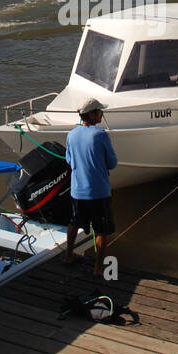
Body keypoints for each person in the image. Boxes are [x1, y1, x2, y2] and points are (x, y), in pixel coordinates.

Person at [65, 98, 117, 275]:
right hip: (98, 192)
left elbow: (69, 160)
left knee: (74, 222)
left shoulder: (71, 134)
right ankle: (98, 268)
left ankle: (68, 255)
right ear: (93, 114)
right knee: (102, 229)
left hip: (77, 191)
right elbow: (112, 163)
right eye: (100, 111)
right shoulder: (101, 135)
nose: (102, 113)